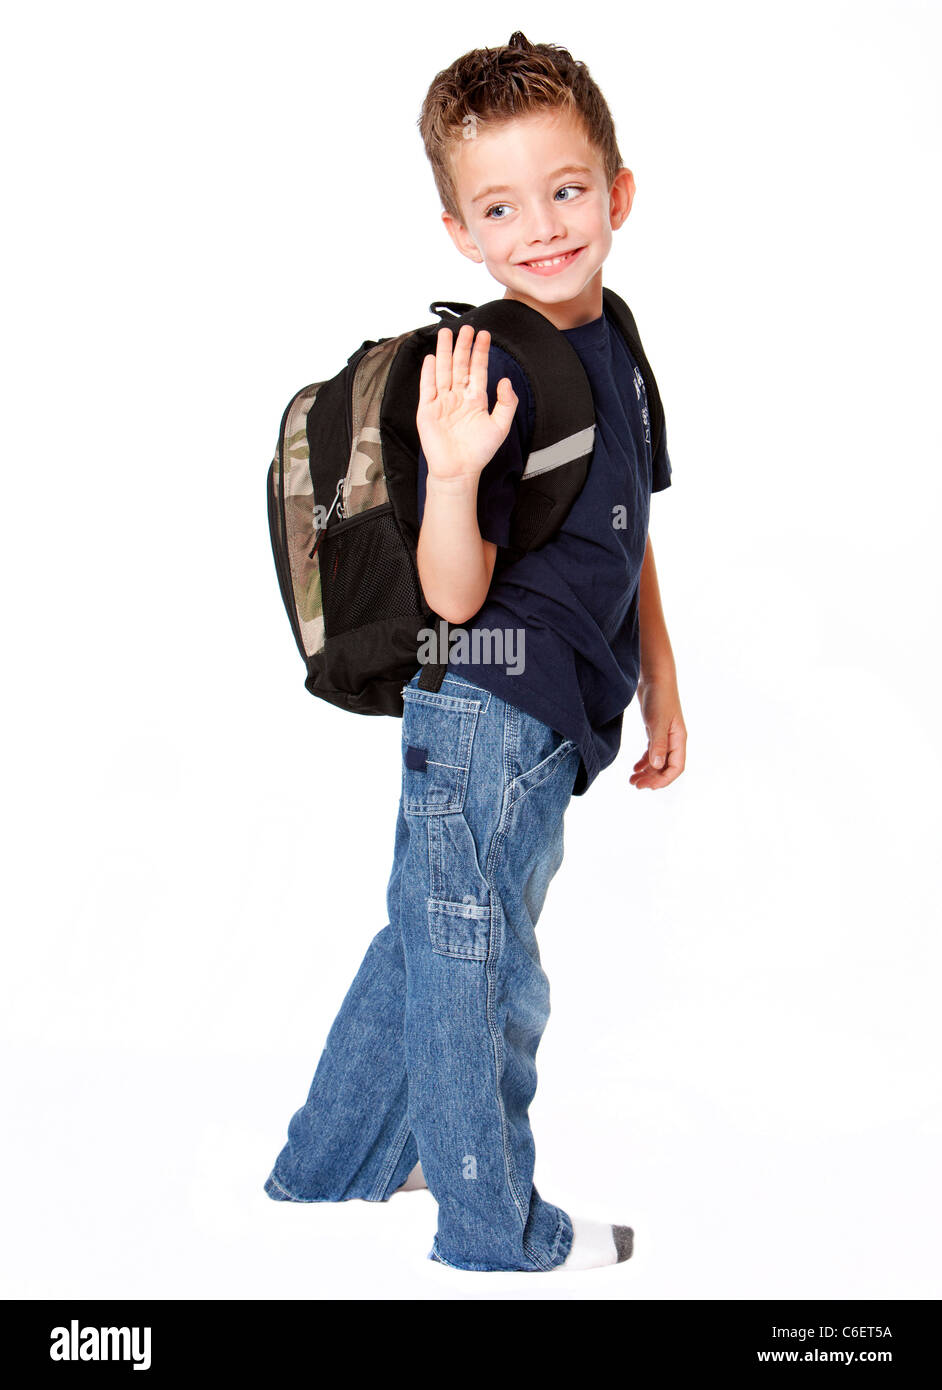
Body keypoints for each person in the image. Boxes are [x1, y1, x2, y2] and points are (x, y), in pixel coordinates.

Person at [263, 31, 687, 1273]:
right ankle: (495, 1231)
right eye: (501, 206)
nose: (543, 227)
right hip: (485, 703)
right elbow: (454, 590)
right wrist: (451, 471)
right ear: (460, 232)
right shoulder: (488, 363)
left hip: (545, 716)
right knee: (486, 974)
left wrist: (664, 683)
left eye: (565, 190)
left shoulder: (617, 343)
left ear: (617, 191)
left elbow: (631, 526)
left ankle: (321, 1177)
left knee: (432, 941)